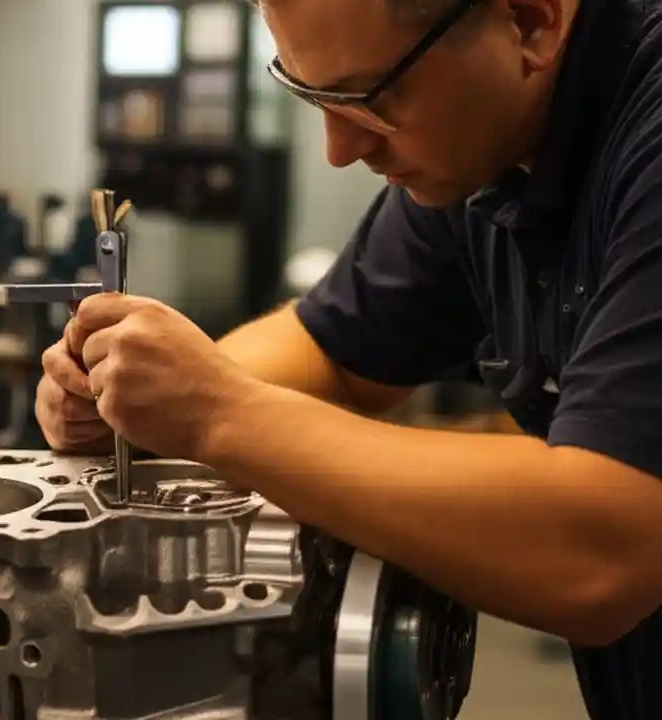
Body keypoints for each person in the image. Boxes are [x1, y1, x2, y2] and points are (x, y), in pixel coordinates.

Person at [35, 0, 662, 717]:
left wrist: (212, 413)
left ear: (529, 23)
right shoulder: (479, 152)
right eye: (313, 95)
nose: (340, 148)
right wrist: (130, 395)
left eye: (371, 99)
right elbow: (327, 350)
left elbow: (605, 546)